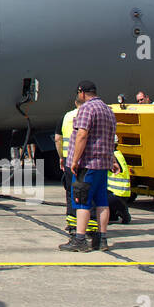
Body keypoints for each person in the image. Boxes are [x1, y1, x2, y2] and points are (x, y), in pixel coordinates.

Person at [60, 80, 116, 252]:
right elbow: (108, 138)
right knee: (102, 202)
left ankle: (80, 240)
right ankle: (102, 239)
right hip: (102, 164)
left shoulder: (86, 109)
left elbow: (82, 135)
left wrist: (75, 160)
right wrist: (112, 159)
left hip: (87, 164)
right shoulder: (108, 110)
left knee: (82, 201)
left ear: (82, 93)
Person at [56, 108, 99, 239]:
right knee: (88, 195)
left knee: (71, 193)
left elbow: (58, 139)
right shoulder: (92, 115)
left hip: (69, 161)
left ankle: (73, 225)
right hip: (87, 161)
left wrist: (61, 157)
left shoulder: (66, 116)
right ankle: (91, 227)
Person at [108, 137, 132, 224]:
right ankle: (113, 214)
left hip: (116, 193)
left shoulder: (112, 157)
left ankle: (123, 211)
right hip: (122, 192)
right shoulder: (118, 154)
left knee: (98, 199)